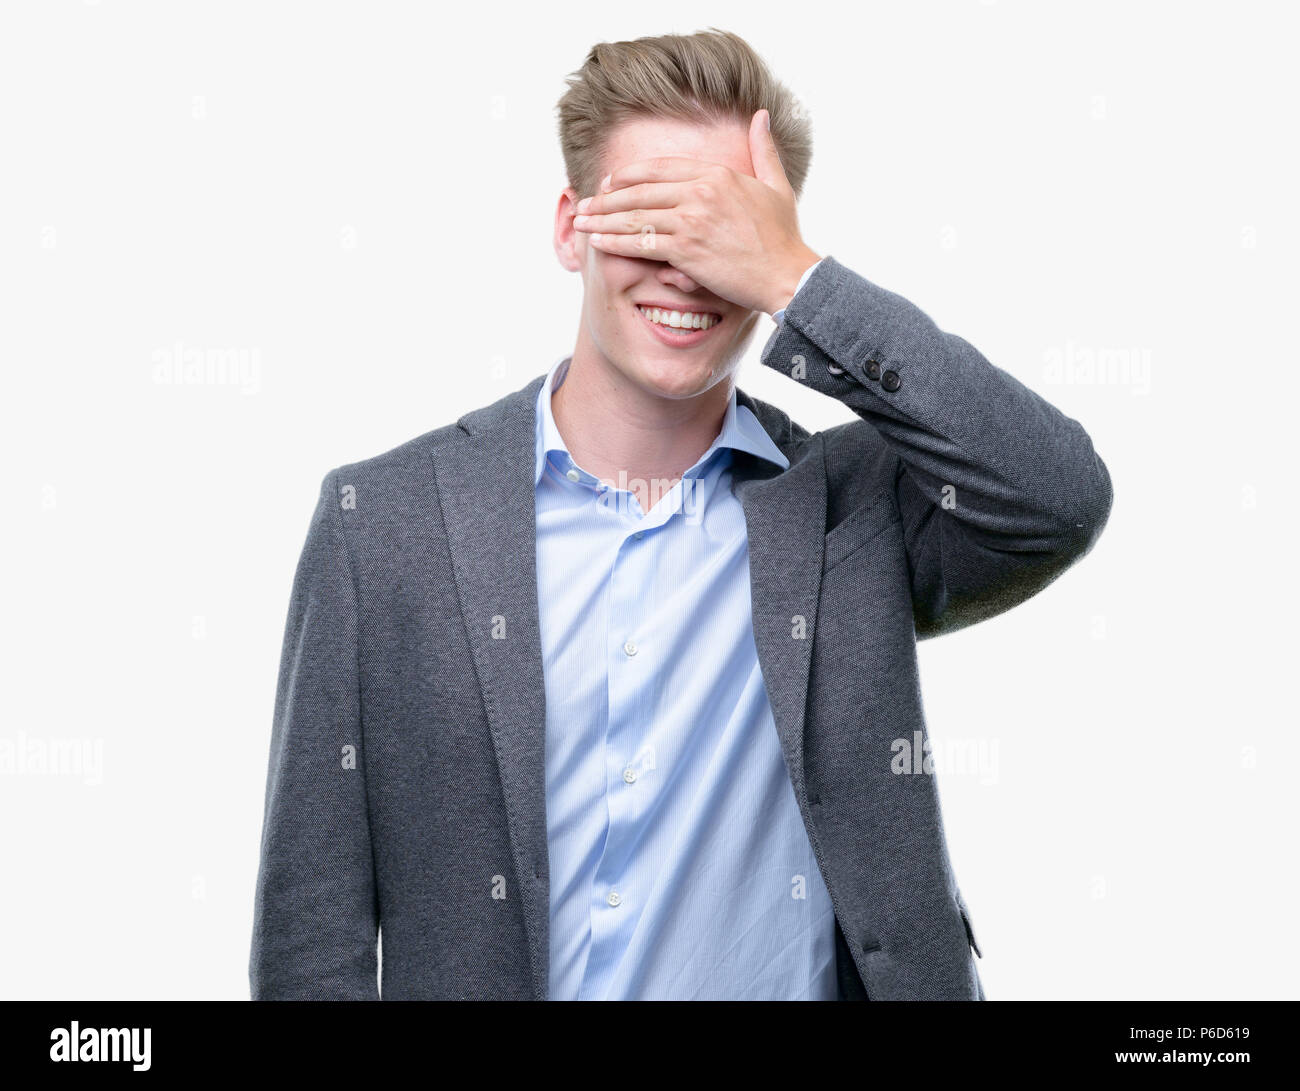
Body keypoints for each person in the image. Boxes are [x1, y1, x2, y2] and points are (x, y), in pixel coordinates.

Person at [250, 28, 1112, 1000]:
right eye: (650, 218)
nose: (686, 269)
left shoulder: (850, 508)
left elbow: (1057, 492)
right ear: (570, 226)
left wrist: (798, 279)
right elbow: (310, 935)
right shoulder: (386, 523)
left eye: (722, 232)